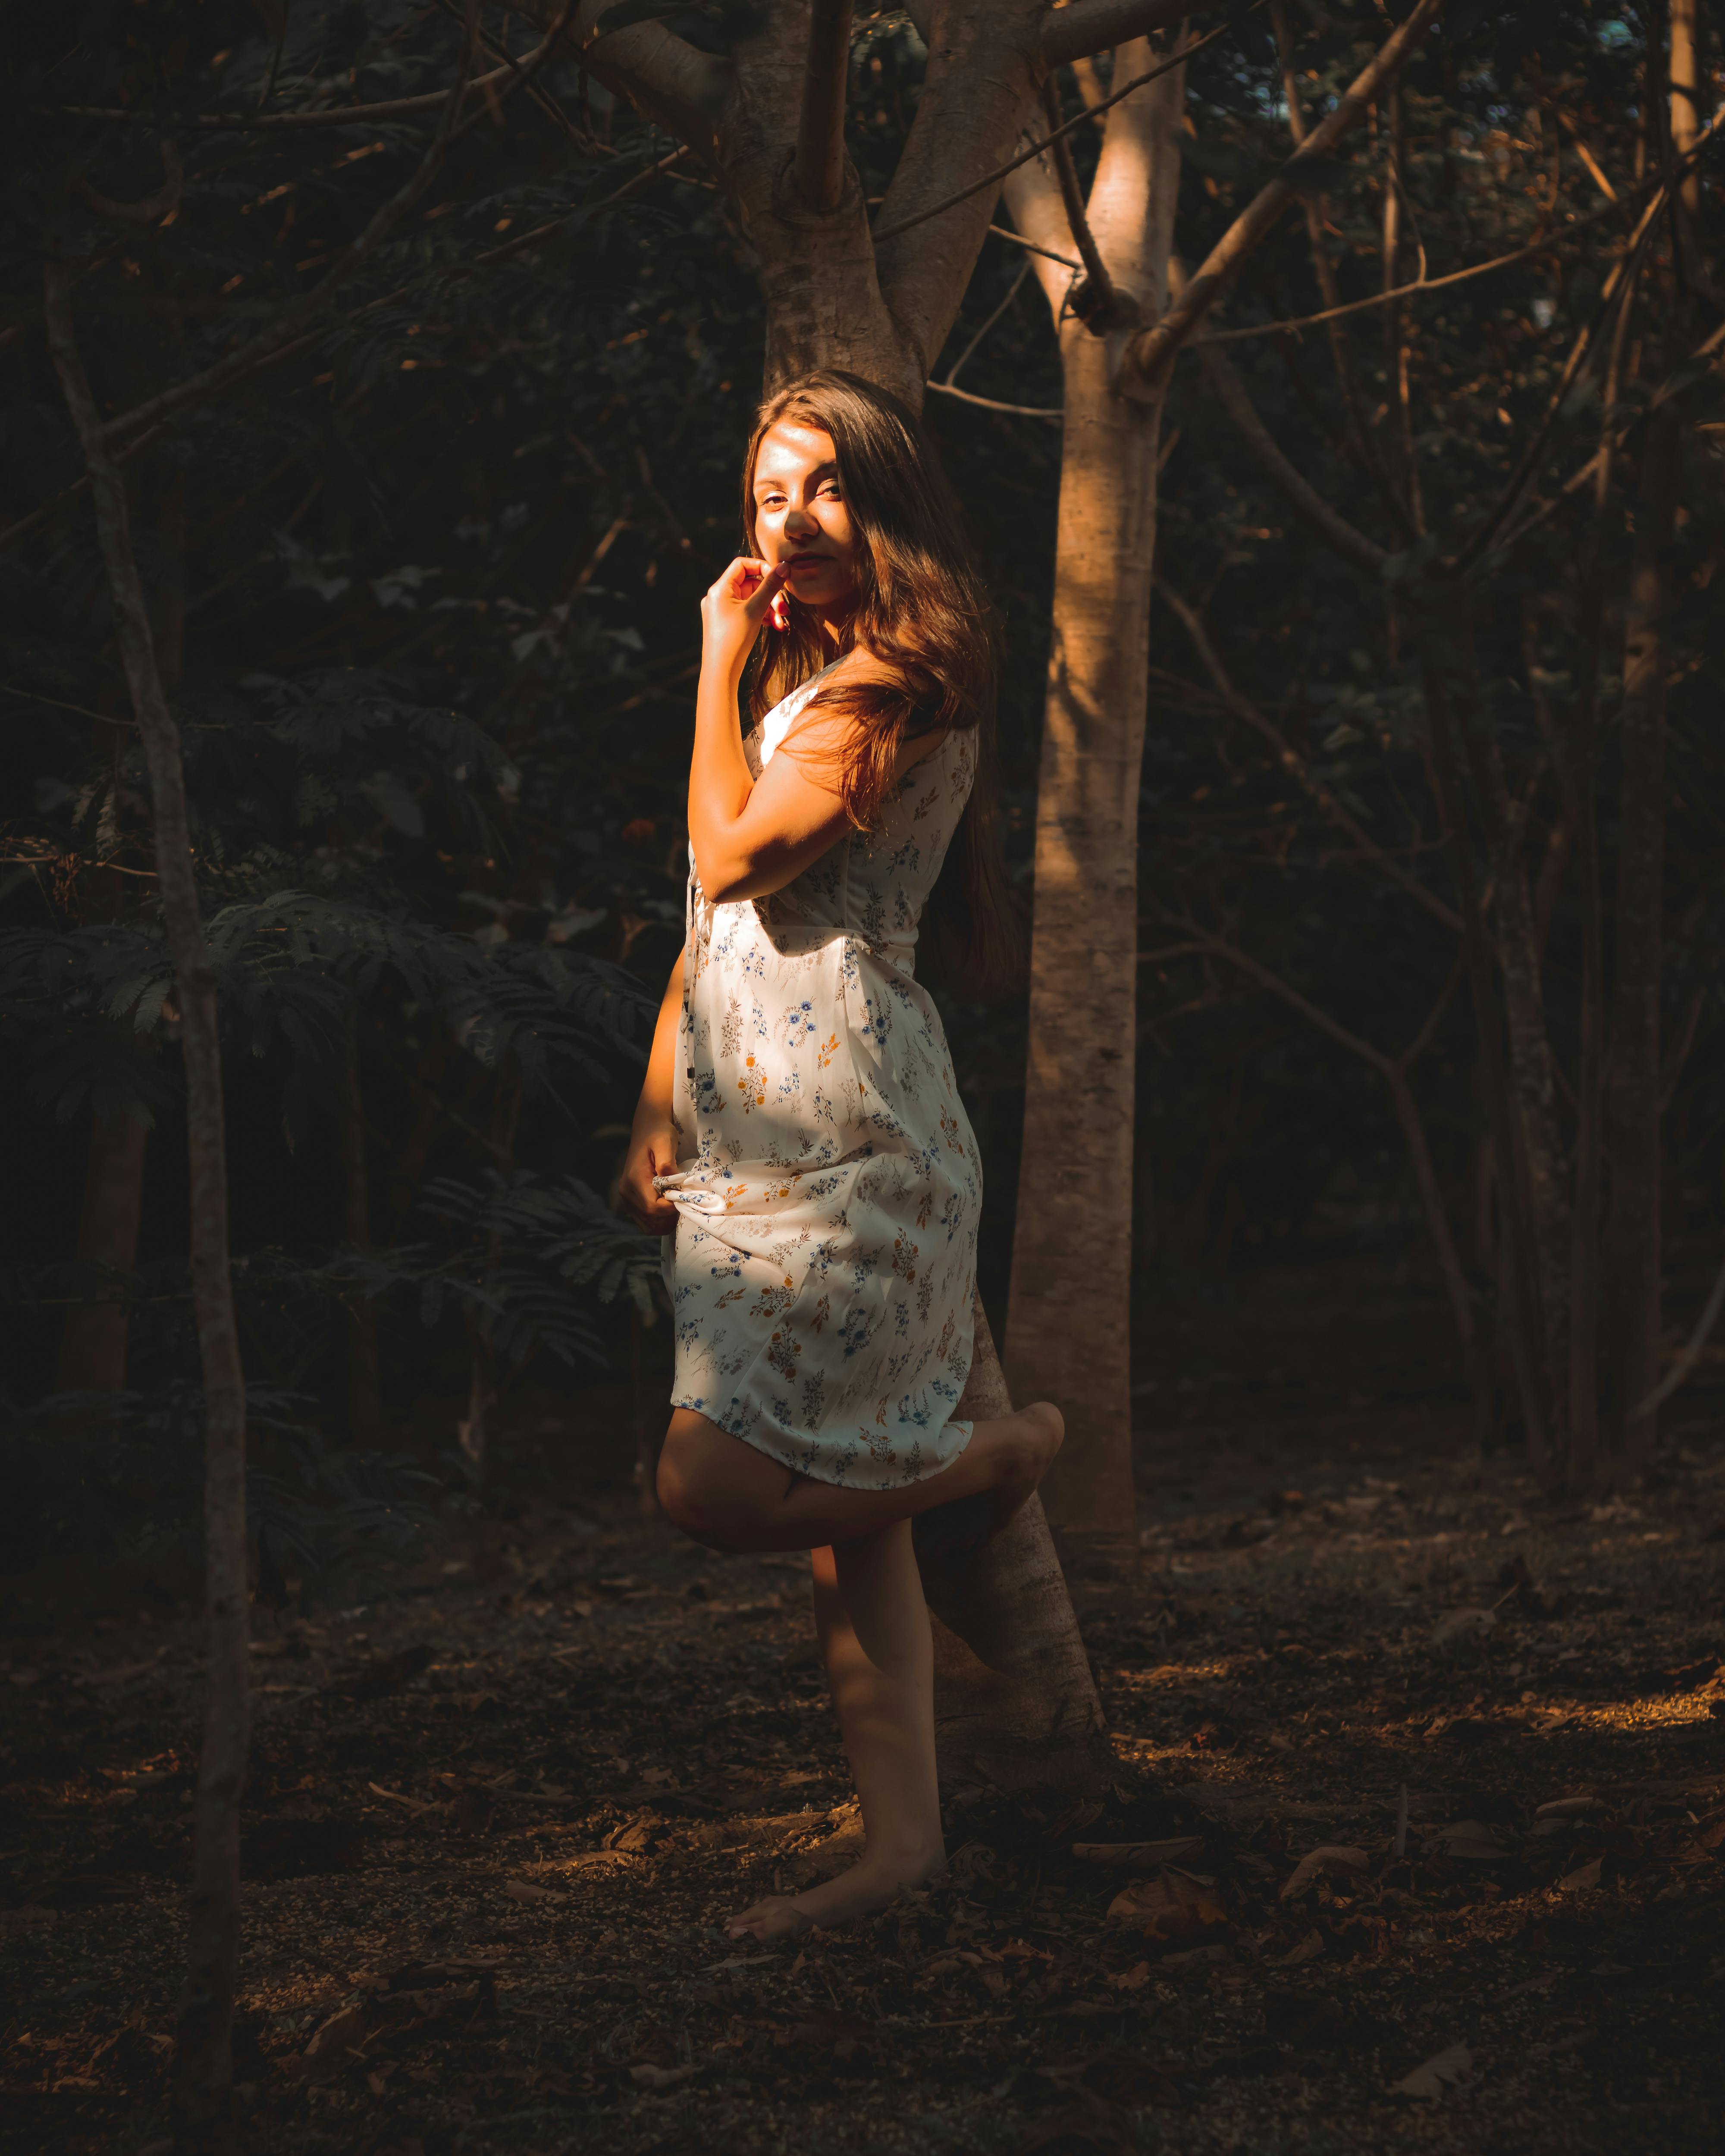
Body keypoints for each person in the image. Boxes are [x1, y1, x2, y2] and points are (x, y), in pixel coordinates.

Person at [618, 369, 1062, 1944]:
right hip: (753, 1119)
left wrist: (712, 657)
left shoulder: (907, 673)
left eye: (823, 490)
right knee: (845, 1516)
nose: (792, 524)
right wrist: (665, 1080)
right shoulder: (817, 682)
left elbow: (731, 854)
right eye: (767, 496)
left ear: (885, 503)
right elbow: (719, 912)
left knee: (717, 1482)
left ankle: (1006, 1454)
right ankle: (902, 1849)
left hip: (854, 1126)